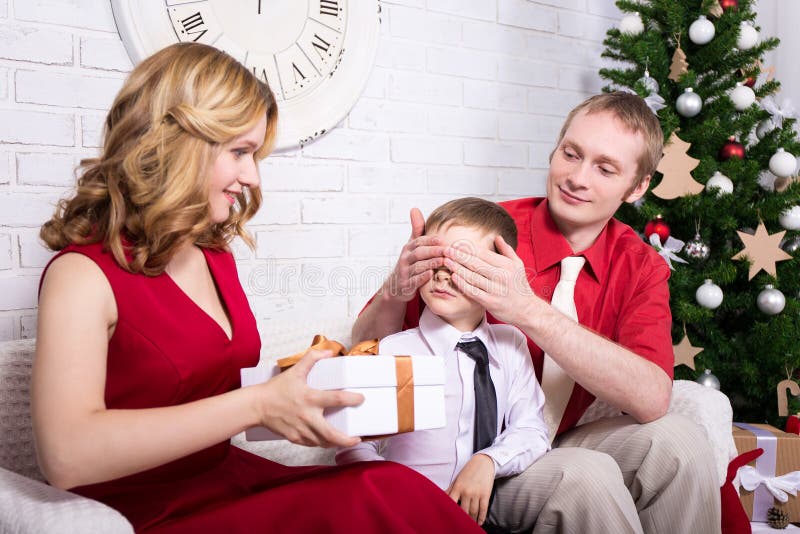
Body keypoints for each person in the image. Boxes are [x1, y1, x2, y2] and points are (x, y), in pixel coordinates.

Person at [31, 42, 484, 533]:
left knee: (392, 483)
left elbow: (214, 393)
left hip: (225, 479)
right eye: (240, 152)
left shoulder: (212, 255)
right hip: (146, 511)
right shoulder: (80, 275)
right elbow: (66, 456)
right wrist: (259, 404)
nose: (251, 176)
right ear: (178, 144)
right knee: (374, 498)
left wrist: (303, 400)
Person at [351, 92, 721, 534]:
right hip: (467, 453)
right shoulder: (485, 233)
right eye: (571, 154)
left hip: (552, 437)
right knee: (584, 475)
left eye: (604, 169)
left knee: (682, 442)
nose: (577, 178)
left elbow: (652, 398)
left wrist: (527, 310)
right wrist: (396, 288)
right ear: (555, 149)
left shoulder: (639, 265)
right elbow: (365, 346)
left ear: (637, 187)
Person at [336, 197, 550, 527]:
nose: (442, 275)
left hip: (484, 510)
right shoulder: (395, 351)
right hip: (406, 515)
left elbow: (532, 429)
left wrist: (489, 461)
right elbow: (354, 445)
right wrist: (390, 490)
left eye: (463, 265)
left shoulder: (510, 345)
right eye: (434, 260)